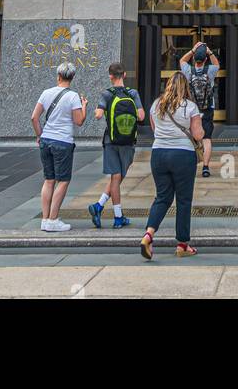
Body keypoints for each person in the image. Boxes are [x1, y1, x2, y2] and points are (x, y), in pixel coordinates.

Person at [140, 71, 203, 260]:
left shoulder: (156, 105)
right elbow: (198, 134)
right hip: (183, 155)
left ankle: (148, 235)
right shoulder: (190, 107)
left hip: (158, 153)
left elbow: (154, 129)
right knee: (183, 200)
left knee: (162, 197)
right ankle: (182, 245)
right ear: (185, 87)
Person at [31, 62, 88, 232]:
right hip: (63, 142)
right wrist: (84, 107)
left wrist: (39, 135)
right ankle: (53, 219)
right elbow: (79, 121)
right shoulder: (73, 97)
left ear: (58, 76)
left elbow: (34, 117)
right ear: (72, 77)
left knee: (49, 180)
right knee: (63, 181)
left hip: (46, 140)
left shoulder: (46, 93)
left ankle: (45, 219)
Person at [88, 62, 144, 230]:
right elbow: (141, 116)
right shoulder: (133, 93)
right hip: (128, 141)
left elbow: (98, 115)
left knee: (115, 177)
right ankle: (117, 216)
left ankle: (100, 206)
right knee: (118, 177)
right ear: (124, 75)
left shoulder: (107, 94)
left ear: (110, 76)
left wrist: (96, 109)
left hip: (111, 140)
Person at [180, 40, 219, 177]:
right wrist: (209, 51)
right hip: (207, 108)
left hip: (192, 108)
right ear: (205, 59)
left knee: (192, 138)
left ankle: (189, 166)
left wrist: (192, 50)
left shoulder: (188, 70)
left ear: (195, 58)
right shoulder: (211, 70)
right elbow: (216, 64)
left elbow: (182, 60)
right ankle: (206, 167)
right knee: (207, 138)